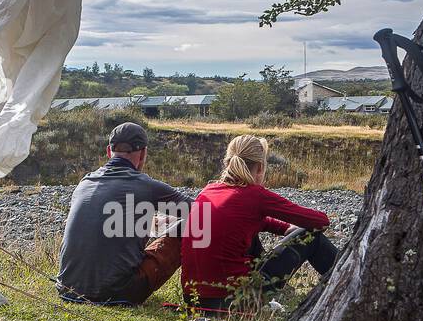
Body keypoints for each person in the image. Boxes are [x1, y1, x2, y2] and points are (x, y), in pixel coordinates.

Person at [181, 134, 337, 311]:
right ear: (260, 167)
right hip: (233, 301)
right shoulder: (255, 195)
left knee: (245, 235)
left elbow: (244, 221)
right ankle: (346, 283)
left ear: (228, 163)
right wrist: (296, 229)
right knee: (313, 237)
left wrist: (285, 228)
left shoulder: (208, 191)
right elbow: (321, 221)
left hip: (193, 299)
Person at [57, 122, 190, 305]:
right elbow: (200, 212)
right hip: (117, 293)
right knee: (189, 228)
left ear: (109, 151)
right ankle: (204, 294)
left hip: (67, 289)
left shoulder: (85, 182)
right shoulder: (146, 186)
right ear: (143, 153)